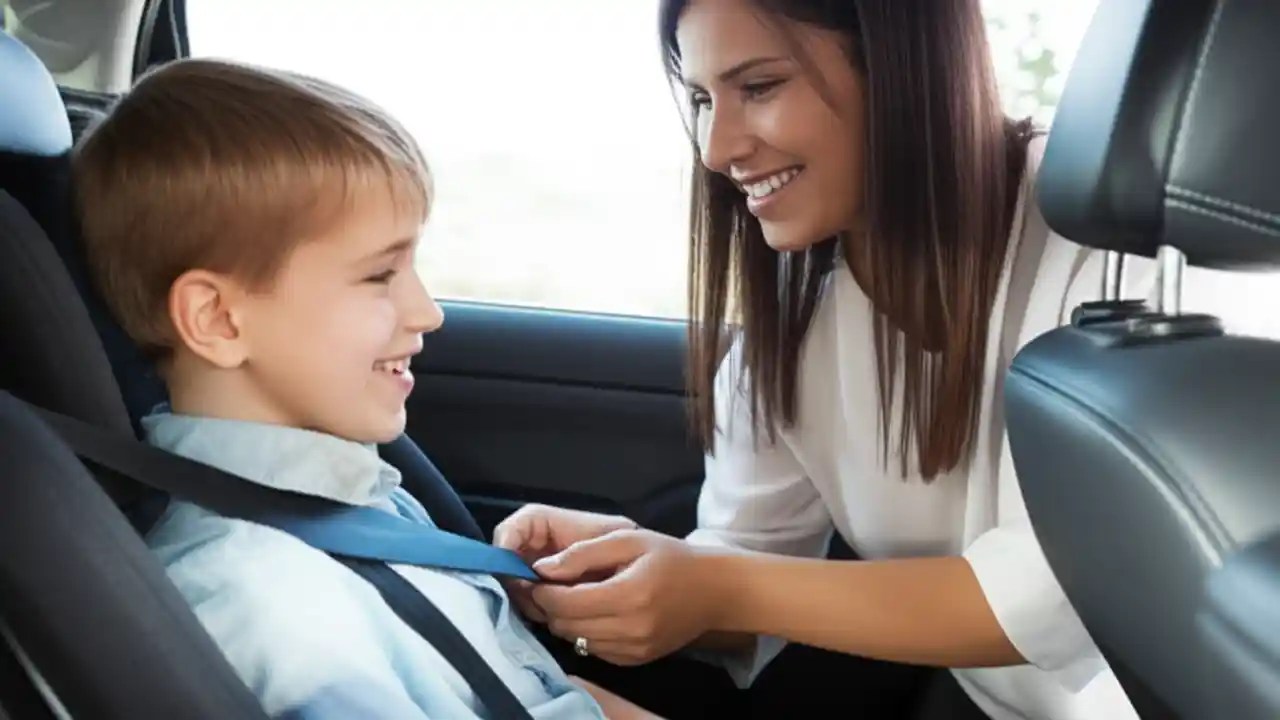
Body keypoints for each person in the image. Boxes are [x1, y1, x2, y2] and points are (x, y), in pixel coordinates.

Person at [494, 1, 1143, 718]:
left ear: (902, 70)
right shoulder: (801, 301)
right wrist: (628, 574)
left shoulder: (1113, 243)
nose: (716, 148)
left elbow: (1060, 593)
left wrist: (719, 583)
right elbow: (747, 556)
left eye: (760, 87)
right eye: (704, 99)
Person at [72, 57, 664, 720]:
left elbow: (543, 696)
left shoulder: (357, 497)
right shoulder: (270, 613)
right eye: (379, 275)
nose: (427, 313)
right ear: (217, 319)